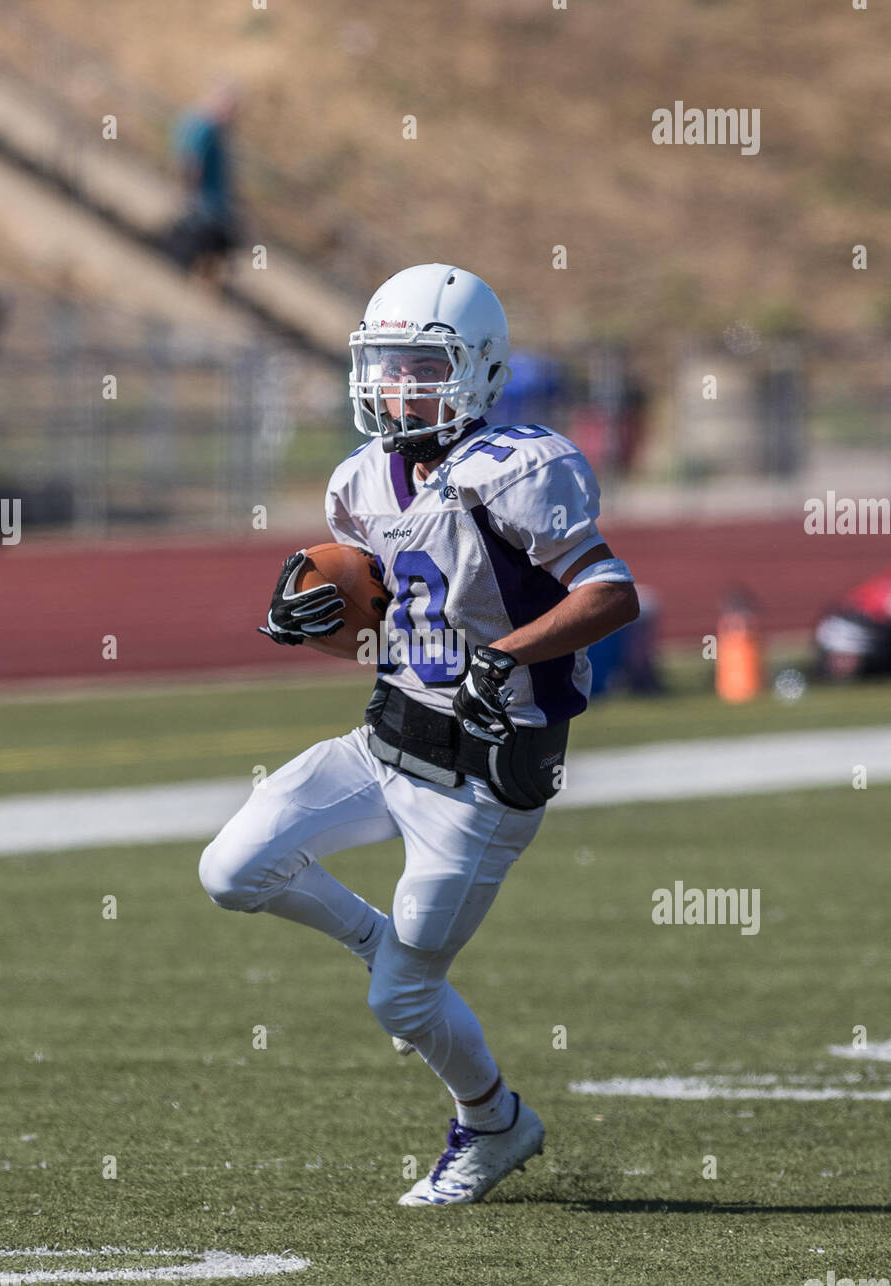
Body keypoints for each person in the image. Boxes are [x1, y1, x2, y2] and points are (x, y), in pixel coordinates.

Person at [199, 264, 639, 1205]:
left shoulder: (520, 467)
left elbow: (610, 594)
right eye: (387, 364)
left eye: (423, 366)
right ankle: (377, 940)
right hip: (388, 738)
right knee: (231, 870)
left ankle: (494, 1123)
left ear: (482, 371)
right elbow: (387, 629)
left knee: (402, 999)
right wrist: (317, 625)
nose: (399, 385)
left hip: (484, 773)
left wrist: (503, 657)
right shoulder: (360, 478)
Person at [166, 84, 243, 277]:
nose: (232, 116)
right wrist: (185, 197)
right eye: (230, 108)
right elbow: (190, 163)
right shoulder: (203, 128)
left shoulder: (205, 128)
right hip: (205, 209)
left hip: (212, 208)